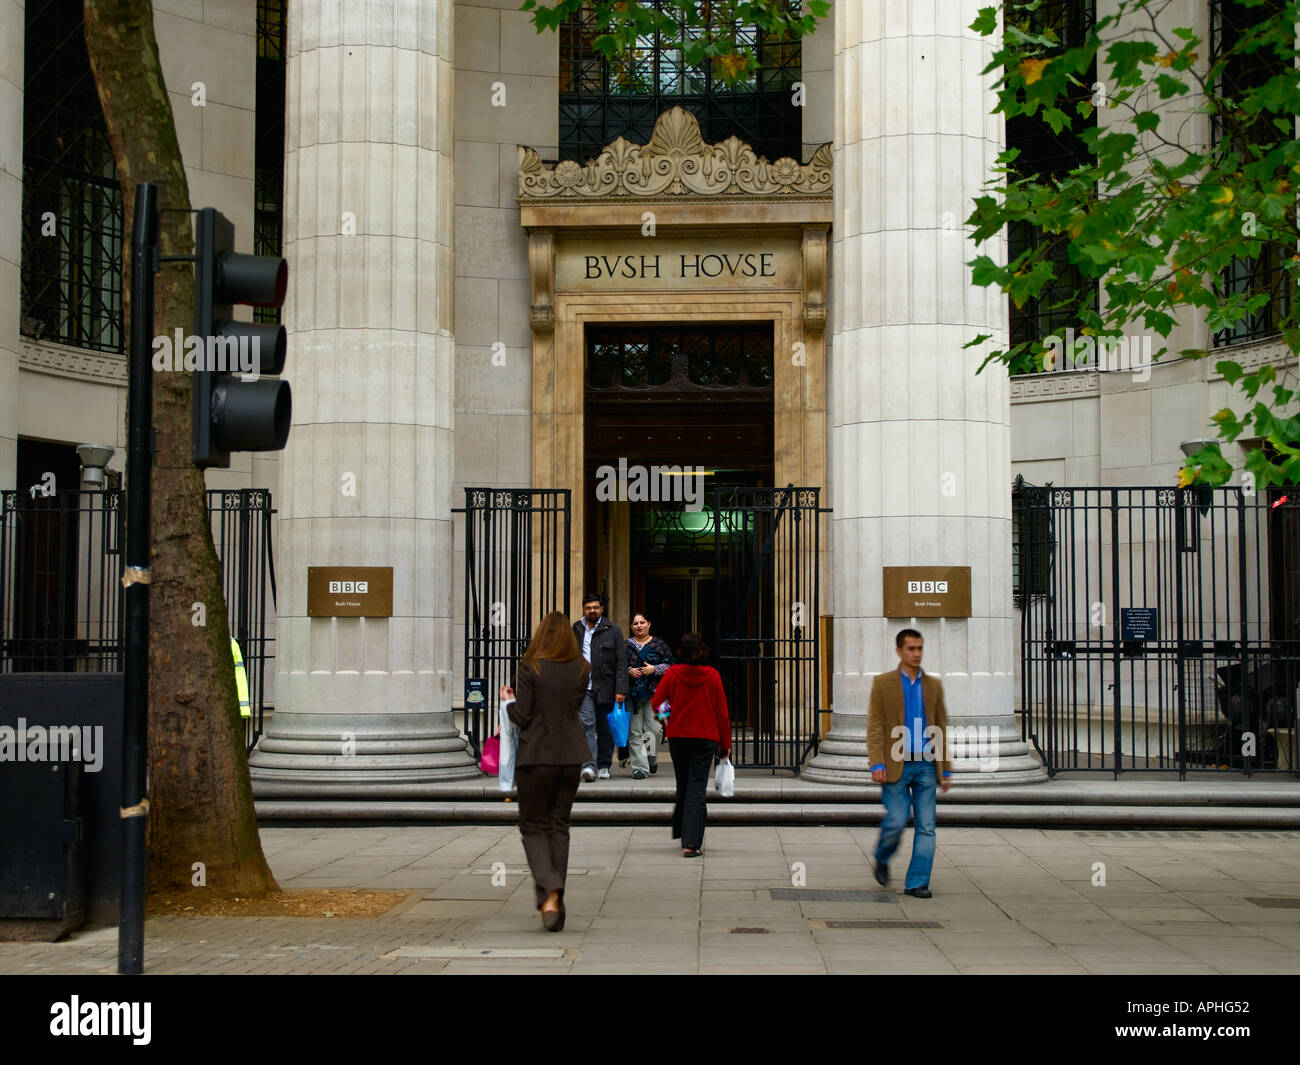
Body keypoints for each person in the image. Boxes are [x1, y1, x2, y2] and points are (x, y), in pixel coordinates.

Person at [500, 611, 591, 932]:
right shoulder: (582, 668)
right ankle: (553, 903)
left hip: (536, 755)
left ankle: (551, 887)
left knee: (534, 827)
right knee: (559, 826)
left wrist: (508, 701)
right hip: (571, 756)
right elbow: (572, 709)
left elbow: (523, 716)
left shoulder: (531, 666)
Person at [867, 628, 953, 898]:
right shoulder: (883, 683)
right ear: (899, 651)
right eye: (911, 649)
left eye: (920, 649)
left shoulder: (934, 685)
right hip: (895, 764)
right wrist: (876, 762)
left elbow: (941, 726)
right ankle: (882, 855)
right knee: (897, 818)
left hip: (927, 765)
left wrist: (946, 767)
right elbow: (875, 725)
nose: (916, 654)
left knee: (927, 827)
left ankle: (917, 883)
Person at [651, 633, 730, 857]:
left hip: (679, 737)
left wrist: (666, 719)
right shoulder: (712, 676)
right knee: (697, 788)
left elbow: (657, 702)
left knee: (683, 784)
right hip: (705, 737)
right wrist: (725, 743)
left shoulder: (672, 674)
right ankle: (691, 842)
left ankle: (683, 831)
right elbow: (722, 713)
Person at [572, 594, 628, 780]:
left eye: (596, 607)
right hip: (583, 687)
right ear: (583, 609)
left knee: (605, 728)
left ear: (602, 609)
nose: (592, 611)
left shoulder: (612, 629)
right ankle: (589, 765)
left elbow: (621, 661)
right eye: (588, 608)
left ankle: (604, 765)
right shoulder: (576, 629)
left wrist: (621, 689)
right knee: (586, 725)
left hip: (607, 686)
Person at [625, 613, 673, 779]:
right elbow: (617, 667)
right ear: (631, 627)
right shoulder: (626, 645)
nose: (639, 626)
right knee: (635, 731)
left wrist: (655, 669)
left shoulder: (660, 644)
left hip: (658, 695)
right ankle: (640, 768)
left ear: (649, 624)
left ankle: (651, 759)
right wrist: (628, 671)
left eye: (642, 622)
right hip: (632, 695)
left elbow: (671, 666)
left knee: (656, 730)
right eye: (635, 623)